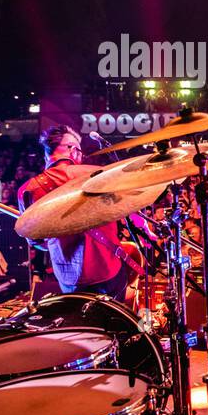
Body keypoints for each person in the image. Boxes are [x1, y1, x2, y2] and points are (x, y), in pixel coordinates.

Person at [17, 125, 133, 300]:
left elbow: (37, 243)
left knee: (81, 325)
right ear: (74, 150)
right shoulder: (98, 174)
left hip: (69, 278)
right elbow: (127, 209)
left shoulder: (27, 190)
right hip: (107, 269)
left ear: (47, 154)